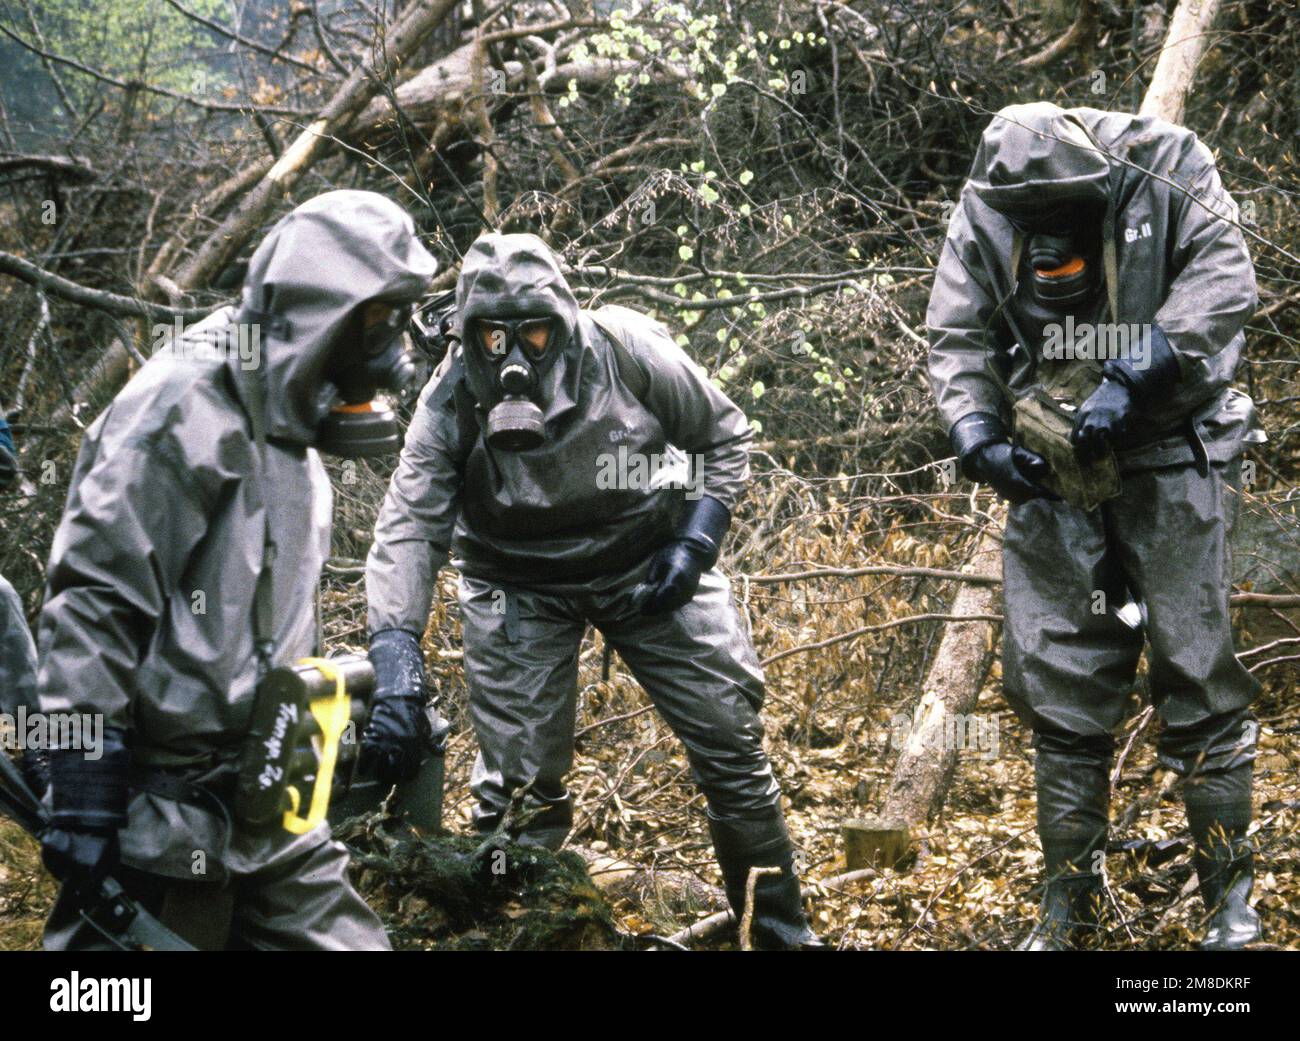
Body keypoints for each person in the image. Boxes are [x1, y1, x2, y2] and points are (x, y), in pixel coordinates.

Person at [365, 231, 823, 950]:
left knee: (732, 745)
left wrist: (696, 542)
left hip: (649, 560)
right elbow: (409, 525)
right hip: (517, 583)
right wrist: (395, 650)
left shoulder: (625, 350)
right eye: (493, 336)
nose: (515, 358)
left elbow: (725, 436)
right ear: (464, 333)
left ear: (566, 321)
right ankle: (537, 932)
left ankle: (778, 932)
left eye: (536, 332)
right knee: (517, 793)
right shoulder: (450, 396)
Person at [35, 190, 437, 949]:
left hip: (272, 797)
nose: (396, 346)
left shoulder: (294, 400)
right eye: (381, 322)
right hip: (157, 813)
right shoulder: (184, 405)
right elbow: (96, 596)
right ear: (326, 313)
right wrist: (84, 779)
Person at [927, 102, 1264, 950]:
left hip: (1169, 441)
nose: (1045, 242)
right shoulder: (986, 203)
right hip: (1052, 456)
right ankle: (1067, 906)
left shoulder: (1166, 165)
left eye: (1064, 222)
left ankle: (1230, 903)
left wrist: (1142, 367)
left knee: (1196, 663)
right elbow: (956, 333)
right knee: (1058, 680)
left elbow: (1227, 275)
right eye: (1030, 228)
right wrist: (975, 437)